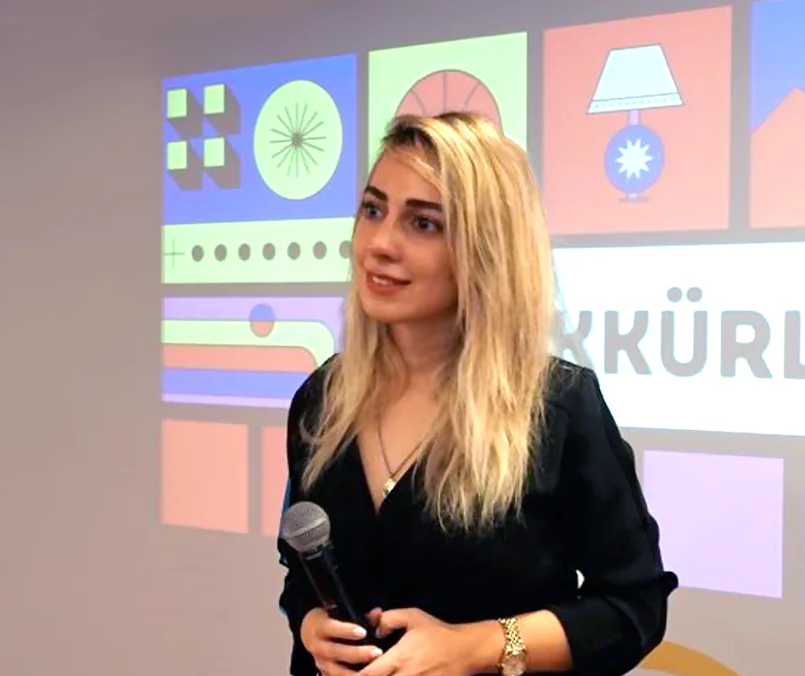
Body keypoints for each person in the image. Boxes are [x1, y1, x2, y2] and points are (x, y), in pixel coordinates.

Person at [276, 111, 678, 676]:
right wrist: (310, 624)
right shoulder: (322, 400)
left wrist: (481, 645)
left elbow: (633, 606)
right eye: (373, 210)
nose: (380, 244)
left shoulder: (558, 409)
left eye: (424, 224)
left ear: (485, 250)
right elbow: (301, 574)